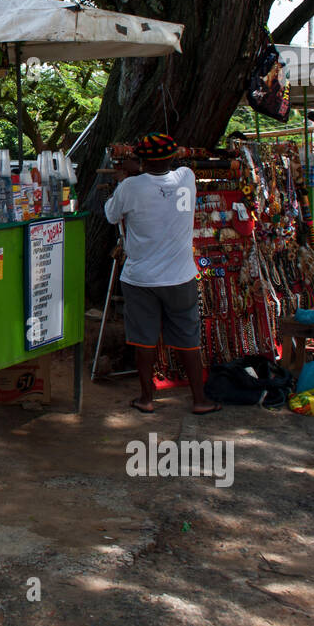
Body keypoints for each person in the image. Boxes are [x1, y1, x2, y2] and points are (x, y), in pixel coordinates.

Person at [104, 133, 219, 415]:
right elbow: (169, 171)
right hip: (181, 277)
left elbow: (110, 214)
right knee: (188, 339)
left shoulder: (130, 186)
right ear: (171, 157)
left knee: (144, 339)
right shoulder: (186, 177)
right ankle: (199, 400)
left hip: (140, 278)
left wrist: (126, 177)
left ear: (141, 160)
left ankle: (146, 398)